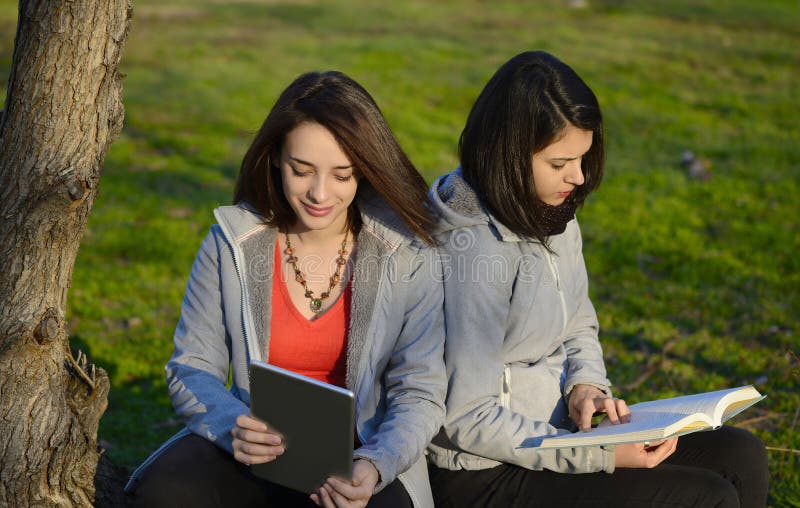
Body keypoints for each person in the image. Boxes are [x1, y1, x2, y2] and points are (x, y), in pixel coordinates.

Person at [426, 50, 769, 507]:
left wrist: (586, 388)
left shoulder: (553, 210)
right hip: (483, 471)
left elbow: (578, 320)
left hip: (560, 438)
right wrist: (599, 455)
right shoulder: (472, 249)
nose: (579, 176)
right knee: (704, 496)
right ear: (505, 153)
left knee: (740, 454)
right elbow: (467, 418)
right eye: (559, 163)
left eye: (583, 158)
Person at [124, 70, 446, 508]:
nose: (319, 193)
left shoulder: (405, 254)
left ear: (365, 172)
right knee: (166, 492)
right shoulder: (230, 242)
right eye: (302, 170)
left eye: (342, 175)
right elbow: (192, 366)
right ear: (275, 157)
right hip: (253, 455)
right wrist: (233, 424)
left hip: (361, 462)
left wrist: (375, 464)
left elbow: (420, 391)